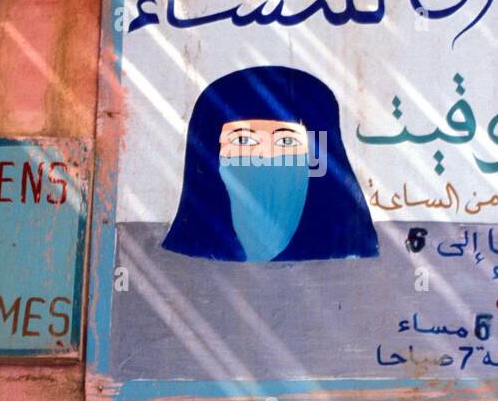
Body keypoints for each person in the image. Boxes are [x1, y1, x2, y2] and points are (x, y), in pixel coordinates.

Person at [162, 65, 379, 262]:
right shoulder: (183, 261)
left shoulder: (347, 258)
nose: (264, 157)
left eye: (286, 141)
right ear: (214, 154)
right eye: (243, 141)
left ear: (316, 158)